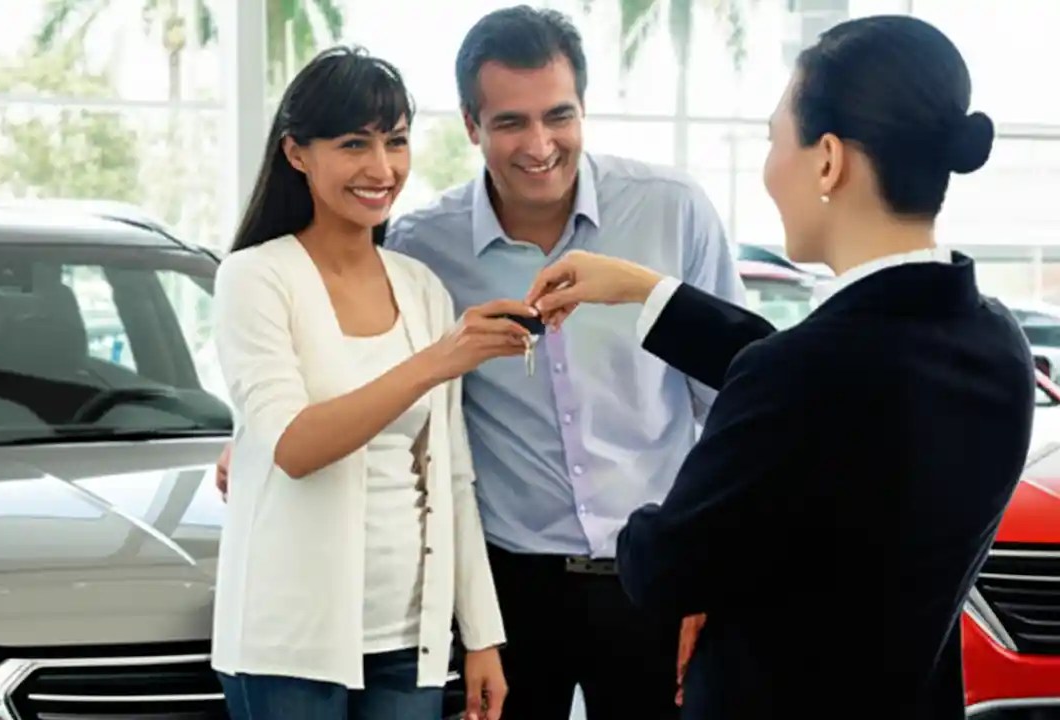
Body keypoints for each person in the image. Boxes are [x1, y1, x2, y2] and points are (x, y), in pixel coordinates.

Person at [218, 7, 745, 717]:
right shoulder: (419, 247)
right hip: (510, 587)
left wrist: (714, 571)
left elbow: (738, 407)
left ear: (584, 108)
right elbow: (347, 363)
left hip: (651, 576)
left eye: (558, 116)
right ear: (471, 125)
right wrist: (255, 434)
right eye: (509, 123)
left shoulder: (673, 212)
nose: (540, 144)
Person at [525, 15, 1034, 720]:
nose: (770, 166)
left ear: (828, 159)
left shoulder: (806, 375)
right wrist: (648, 290)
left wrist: (632, 503)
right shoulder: (998, 345)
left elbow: (668, 565)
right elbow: (813, 389)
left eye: (773, 138)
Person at [210, 46, 526, 720]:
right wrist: (437, 361)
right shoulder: (255, 278)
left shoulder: (421, 288)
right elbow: (295, 446)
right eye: (355, 144)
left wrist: (482, 636)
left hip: (409, 640)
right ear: (298, 153)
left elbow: (453, 480)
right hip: (287, 644)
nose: (382, 169)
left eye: (397, 141)